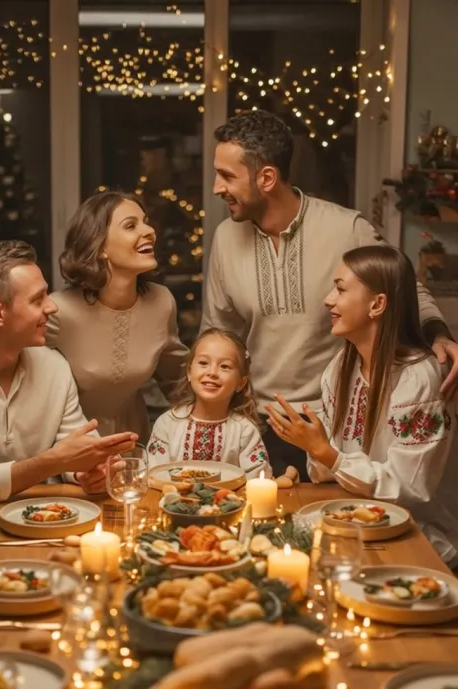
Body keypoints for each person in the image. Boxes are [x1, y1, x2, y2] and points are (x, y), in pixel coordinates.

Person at [201, 109, 458, 478]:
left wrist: (438, 332)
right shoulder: (226, 238)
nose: (216, 187)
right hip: (253, 423)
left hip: (330, 426)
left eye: (227, 175)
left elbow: (404, 288)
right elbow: (219, 332)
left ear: (267, 178)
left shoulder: (346, 228)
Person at [0, 240, 138, 600]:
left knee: (114, 563)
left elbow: (71, 450)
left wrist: (87, 471)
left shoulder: (52, 365)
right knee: (12, 583)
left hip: (34, 518)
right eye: (37, 299)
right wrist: (53, 462)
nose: (51, 307)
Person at [265, 246, 458, 564]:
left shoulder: (419, 379)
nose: (329, 299)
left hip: (422, 542)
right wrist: (313, 446)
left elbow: (411, 487)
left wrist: (326, 453)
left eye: (340, 289)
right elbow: (331, 470)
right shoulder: (342, 366)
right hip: (360, 527)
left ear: (377, 304)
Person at [46, 189, 188, 440]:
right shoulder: (58, 311)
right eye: (131, 225)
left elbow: (177, 380)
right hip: (70, 448)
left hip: (134, 442)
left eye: (146, 222)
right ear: (99, 246)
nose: (149, 231)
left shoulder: (161, 303)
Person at [147, 328, 271, 479]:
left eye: (224, 366)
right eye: (204, 363)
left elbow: (258, 479)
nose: (212, 372)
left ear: (241, 383)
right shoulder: (167, 424)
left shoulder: (244, 431)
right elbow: (155, 476)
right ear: (189, 372)